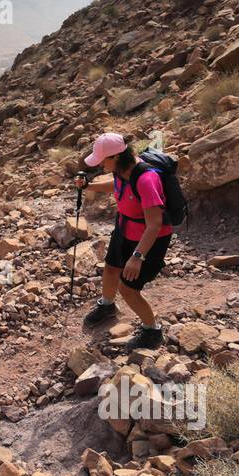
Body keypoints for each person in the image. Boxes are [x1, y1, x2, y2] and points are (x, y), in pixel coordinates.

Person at [73, 133, 173, 349]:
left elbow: (155, 224)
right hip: (125, 227)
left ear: (116, 157)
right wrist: (88, 186)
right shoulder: (121, 170)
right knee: (111, 269)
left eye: (103, 160)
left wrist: (137, 257)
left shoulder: (146, 179)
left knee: (128, 288)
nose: (100, 164)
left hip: (149, 239)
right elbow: (117, 185)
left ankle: (152, 331)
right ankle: (107, 306)